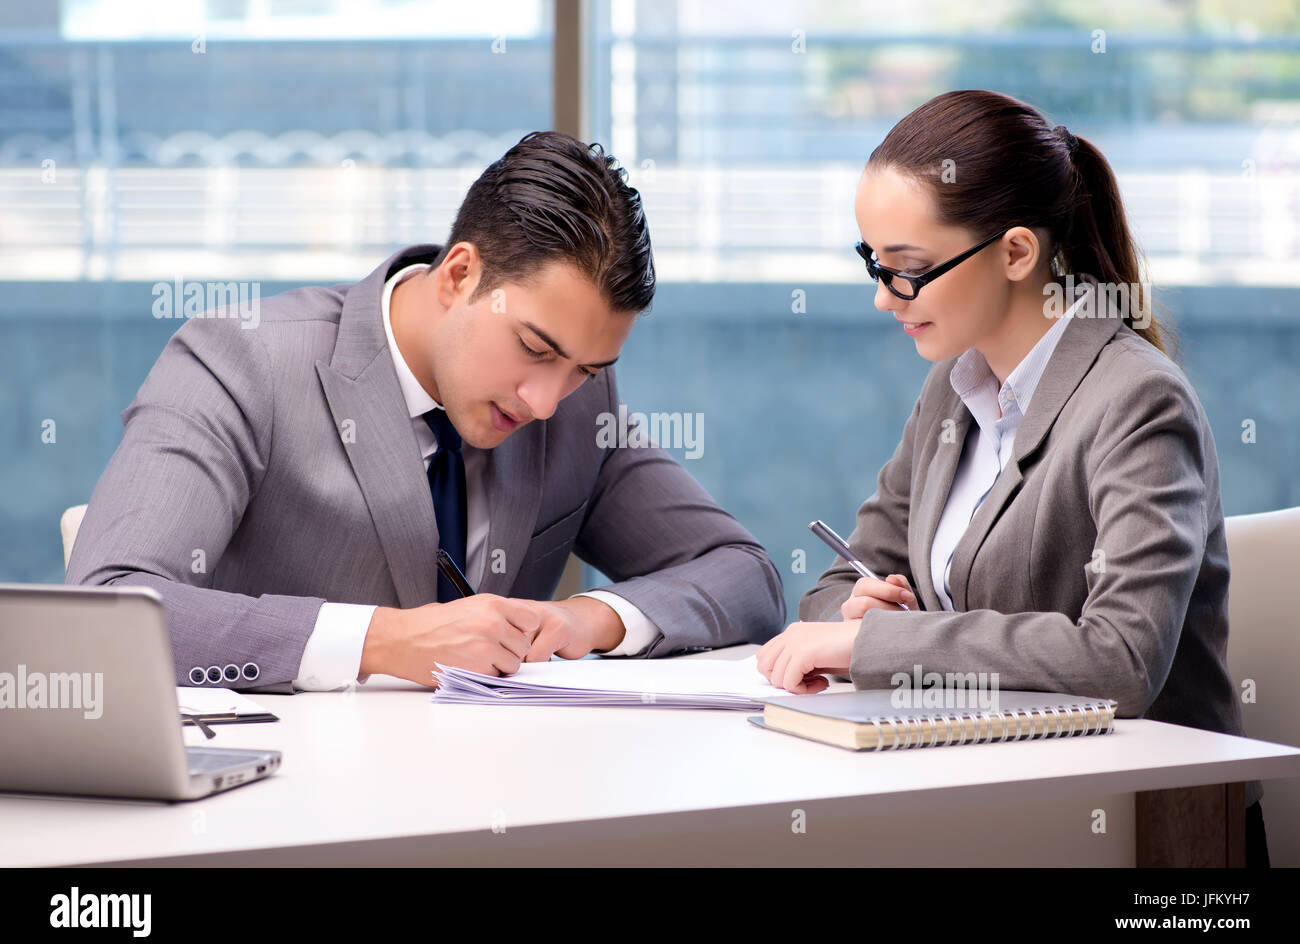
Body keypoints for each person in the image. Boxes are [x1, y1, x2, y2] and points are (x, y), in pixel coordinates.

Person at [67, 131, 784, 694]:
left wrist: (584, 619)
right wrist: (383, 641)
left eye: (584, 370)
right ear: (460, 274)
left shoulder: (576, 406)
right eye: (535, 347)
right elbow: (109, 608)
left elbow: (744, 573)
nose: (544, 401)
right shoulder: (240, 363)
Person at [755, 90, 1267, 865]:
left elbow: (1120, 659)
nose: (883, 296)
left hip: (1148, 829)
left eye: (909, 270)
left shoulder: (1137, 400)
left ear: (1017, 253)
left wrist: (882, 640)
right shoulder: (953, 388)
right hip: (993, 799)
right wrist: (858, 607)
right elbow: (838, 585)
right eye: (875, 264)